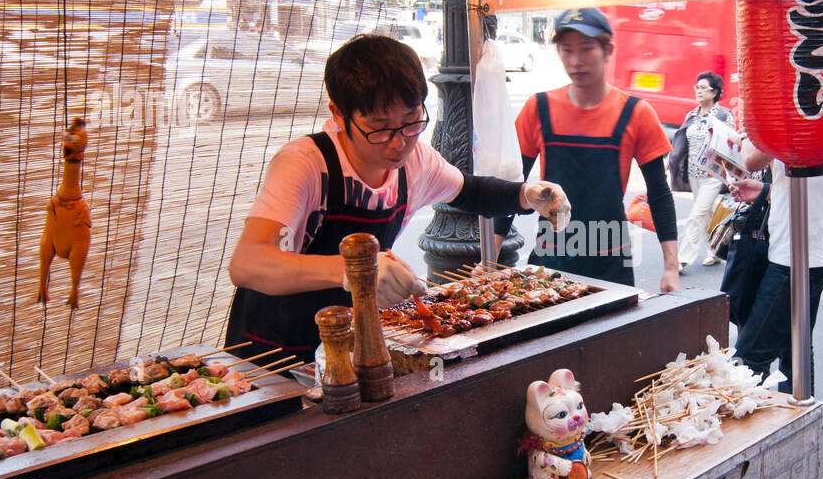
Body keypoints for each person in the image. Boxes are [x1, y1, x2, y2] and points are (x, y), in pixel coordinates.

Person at [226, 34, 568, 358]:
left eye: (411, 120)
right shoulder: (306, 164)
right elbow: (247, 263)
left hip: (353, 344)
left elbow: (472, 192)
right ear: (339, 114)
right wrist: (353, 269)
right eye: (379, 127)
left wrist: (528, 194)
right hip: (274, 346)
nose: (399, 141)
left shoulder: (415, 160)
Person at [513, 8, 680, 291]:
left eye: (586, 49)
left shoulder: (636, 113)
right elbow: (510, 188)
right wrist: (488, 262)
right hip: (552, 259)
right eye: (566, 50)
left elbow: (660, 193)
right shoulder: (538, 109)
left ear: (608, 50)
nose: (576, 61)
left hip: (610, 262)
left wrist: (671, 268)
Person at [728, 143, 823, 392]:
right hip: (816, 246)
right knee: (796, 348)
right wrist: (767, 189)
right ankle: (803, 425)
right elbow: (814, 179)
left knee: (748, 361)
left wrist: (742, 139)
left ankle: (754, 429)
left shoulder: (797, 116)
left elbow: (750, 160)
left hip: (797, 254)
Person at [673, 72, 738, 271]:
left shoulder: (722, 114)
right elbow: (682, 143)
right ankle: (715, 250)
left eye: (703, 88)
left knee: (697, 214)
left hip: (713, 174)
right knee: (706, 214)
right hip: (693, 174)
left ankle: (682, 259)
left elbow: (731, 141)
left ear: (715, 92)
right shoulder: (691, 115)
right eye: (697, 87)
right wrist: (671, 162)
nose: (699, 91)